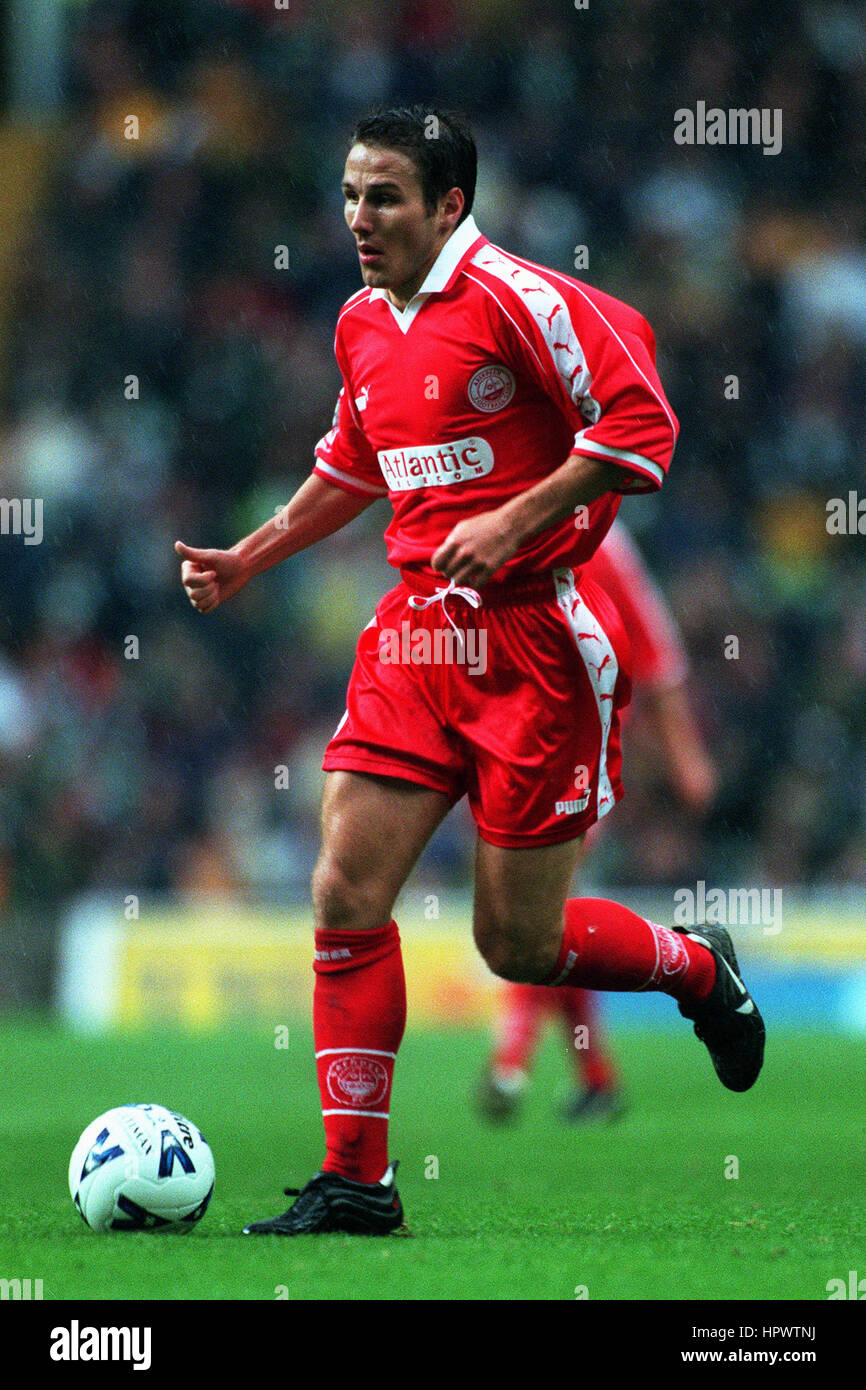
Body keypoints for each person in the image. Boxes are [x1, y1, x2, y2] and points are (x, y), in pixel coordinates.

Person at [175, 106, 764, 1236]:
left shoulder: (523, 300)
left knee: (517, 945)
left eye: (382, 196)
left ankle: (698, 971)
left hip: (534, 649)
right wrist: (248, 556)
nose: (357, 218)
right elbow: (351, 468)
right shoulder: (359, 324)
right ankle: (357, 1178)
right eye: (348, 195)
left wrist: (517, 518)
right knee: (345, 891)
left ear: (447, 203)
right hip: (412, 638)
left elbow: (644, 427)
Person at [478, 518, 718, 1126]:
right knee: (542, 916)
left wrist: (685, 754)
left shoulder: (602, 537)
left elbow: (658, 647)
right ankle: (597, 1079)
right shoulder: (496, 518)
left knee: (535, 908)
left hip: (582, 741)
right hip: (509, 741)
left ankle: (511, 1064)